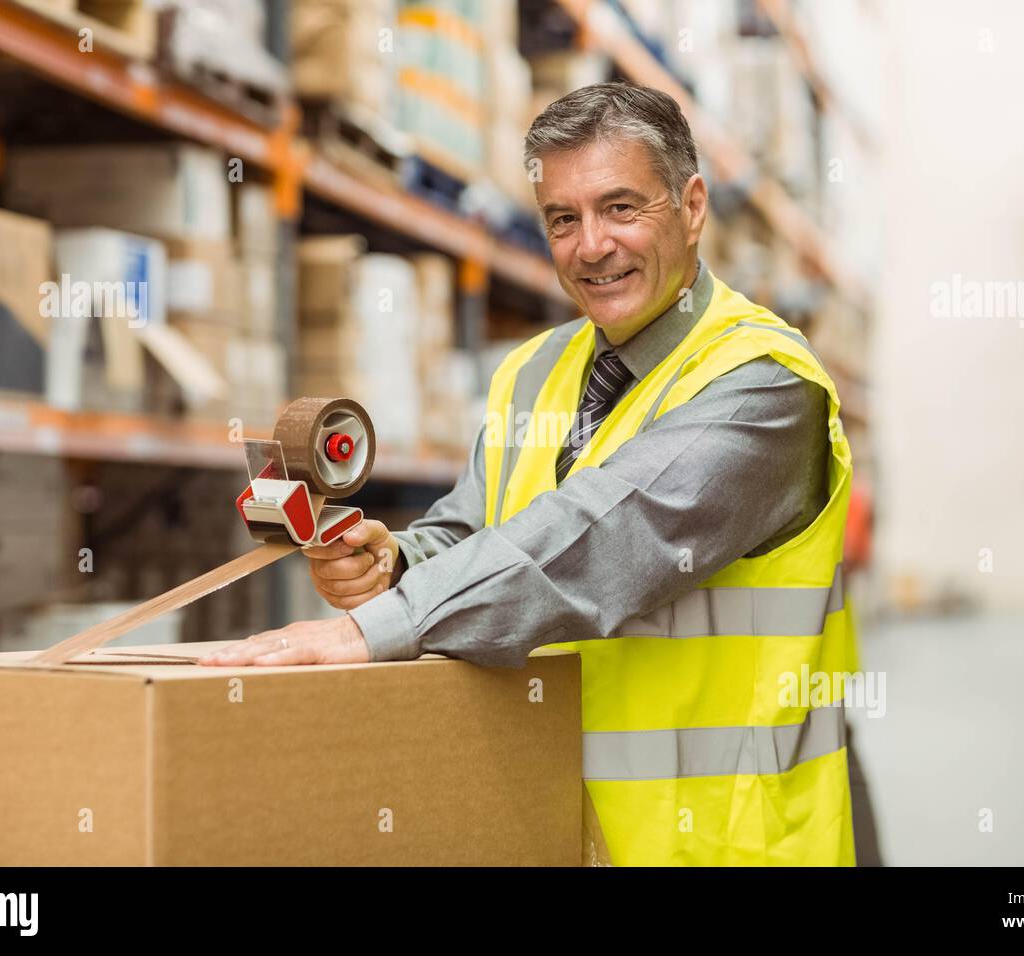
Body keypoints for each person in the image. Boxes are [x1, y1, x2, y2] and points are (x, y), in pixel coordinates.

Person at [204, 82, 870, 867]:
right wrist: (398, 564)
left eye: (622, 208)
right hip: (546, 822)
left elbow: (597, 537)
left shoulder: (762, 383)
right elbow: (477, 523)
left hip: (719, 841)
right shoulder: (533, 371)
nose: (591, 246)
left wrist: (375, 627)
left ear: (692, 207)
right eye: (563, 219)